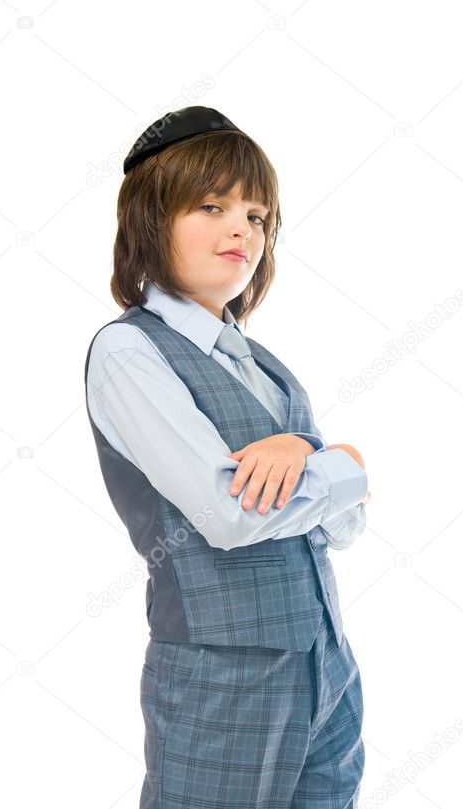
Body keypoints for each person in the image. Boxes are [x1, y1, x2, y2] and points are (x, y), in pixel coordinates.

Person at [83, 105, 370, 808]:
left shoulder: (268, 367)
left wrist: (305, 456)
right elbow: (227, 513)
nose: (242, 227)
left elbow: (344, 529)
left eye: (257, 214)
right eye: (212, 205)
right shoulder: (129, 349)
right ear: (152, 221)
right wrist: (341, 460)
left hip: (323, 663)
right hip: (222, 676)